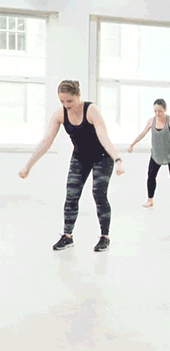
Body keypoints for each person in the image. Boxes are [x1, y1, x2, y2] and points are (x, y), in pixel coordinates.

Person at [19, 80, 124, 252]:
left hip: (102, 157)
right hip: (80, 158)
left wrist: (117, 159)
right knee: (71, 195)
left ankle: (104, 237)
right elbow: (46, 142)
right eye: (62, 101)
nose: (66, 105)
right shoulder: (60, 115)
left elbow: (103, 136)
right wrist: (28, 166)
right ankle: (67, 236)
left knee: (99, 193)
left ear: (78, 95)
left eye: (70, 101)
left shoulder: (91, 110)